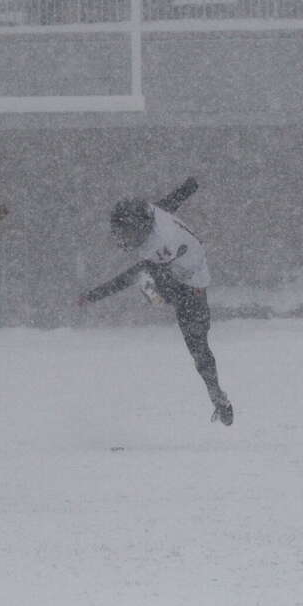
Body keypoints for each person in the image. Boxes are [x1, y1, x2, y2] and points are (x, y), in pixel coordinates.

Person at [77, 177, 234, 426]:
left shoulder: (160, 243)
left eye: (127, 233)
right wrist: (188, 188)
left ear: (141, 227)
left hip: (190, 287)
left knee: (196, 345)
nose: (123, 239)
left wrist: (95, 294)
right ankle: (218, 397)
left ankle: (217, 395)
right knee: (198, 347)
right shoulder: (150, 214)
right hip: (183, 271)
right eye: (119, 232)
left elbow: (133, 274)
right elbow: (168, 204)